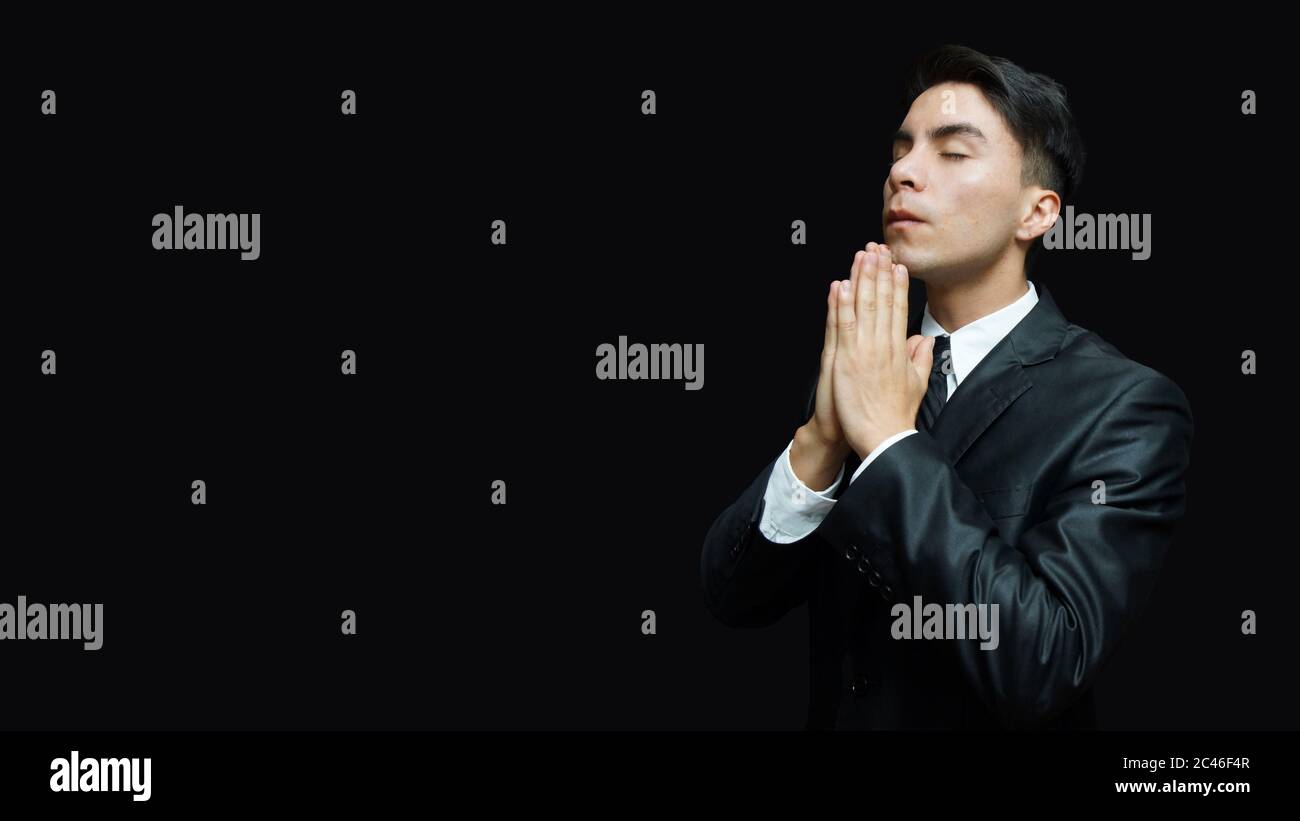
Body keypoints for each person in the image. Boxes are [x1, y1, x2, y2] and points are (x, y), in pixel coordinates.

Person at [699, 45, 1193, 730]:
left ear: (1037, 212)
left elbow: (1041, 661)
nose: (902, 171)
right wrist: (819, 441)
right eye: (900, 150)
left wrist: (893, 444)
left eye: (952, 153)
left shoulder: (1125, 406)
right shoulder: (868, 363)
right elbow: (731, 597)